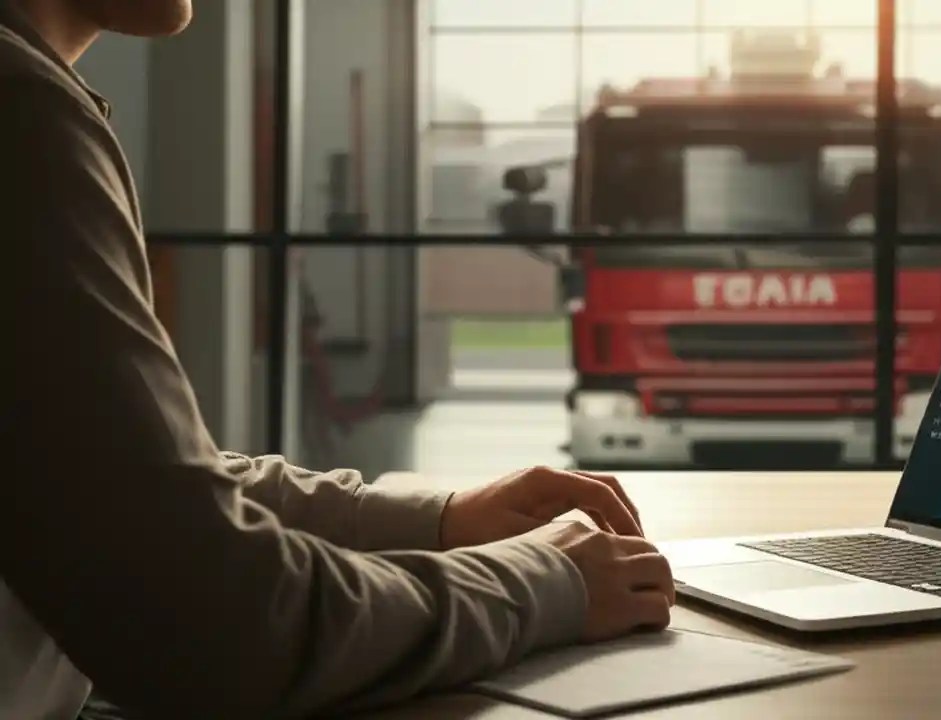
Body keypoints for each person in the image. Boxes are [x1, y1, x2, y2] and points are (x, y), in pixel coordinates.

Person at [0, 1, 674, 718]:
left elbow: (117, 488)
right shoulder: (23, 116)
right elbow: (220, 622)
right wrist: (543, 584)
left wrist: (438, 521)